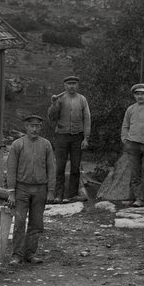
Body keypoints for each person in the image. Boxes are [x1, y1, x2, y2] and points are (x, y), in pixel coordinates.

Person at [6, 114, 55, 266]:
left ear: (41, 128)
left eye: (37, 126)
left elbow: (51, 168)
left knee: (36, 223)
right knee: (20, 222)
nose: (34, 129)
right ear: (26, 127)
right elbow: (11, 168)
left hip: (40, 189)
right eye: (31, 126)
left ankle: (30, 254)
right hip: (22, 188)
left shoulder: (46, 145)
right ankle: (17, 256)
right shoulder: (17, 145)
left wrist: (51, 191)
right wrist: (11, 192)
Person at [46, 74, 91, 203]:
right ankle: (58, 195)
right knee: (60, 167)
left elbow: (87, 118)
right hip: (62, 136)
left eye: (74, 84)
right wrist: (53, 104)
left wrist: (86, 138)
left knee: (75, 167)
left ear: (77, 85)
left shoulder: (82, 99)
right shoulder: (59, 99)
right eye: (69, 84)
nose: (72, 86)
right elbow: (52, 118)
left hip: (78, 137)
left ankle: (72, 195)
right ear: (65, 86)